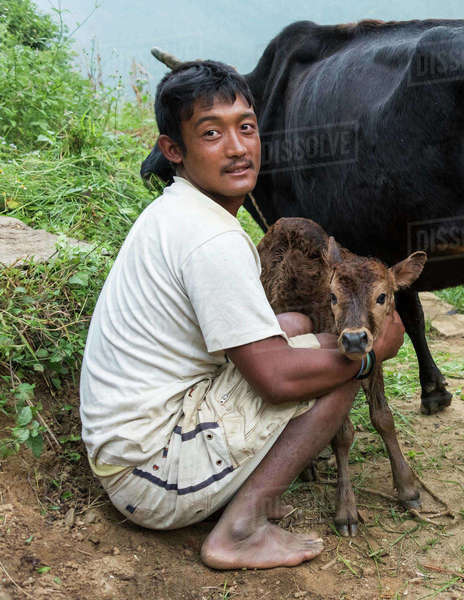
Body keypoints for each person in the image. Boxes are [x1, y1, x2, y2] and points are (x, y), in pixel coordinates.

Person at [79, 59, 406, 570]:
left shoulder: (180, 208)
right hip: (150, 473)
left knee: (298, 327)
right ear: (173, 150)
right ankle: (240, 529)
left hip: (130, 439)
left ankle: (242, 501)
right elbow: (276, 380)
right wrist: (369, 355)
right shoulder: (213, 238)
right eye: (211, 133)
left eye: (246, 128)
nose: (237, 148)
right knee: (341, 367)